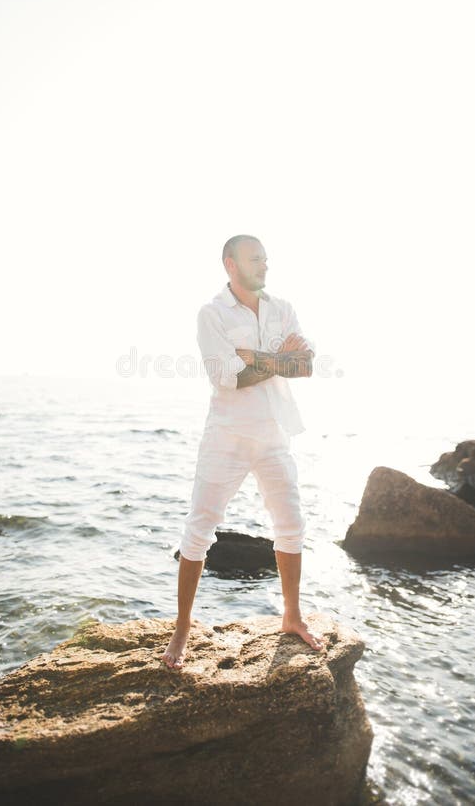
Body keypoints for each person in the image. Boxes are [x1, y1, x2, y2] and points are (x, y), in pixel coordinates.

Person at [162, 235, 323, 669]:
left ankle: (291, 615)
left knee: (291, 525)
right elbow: (225, 377)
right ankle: (181, 628)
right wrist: (274, 360)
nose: (265, 265)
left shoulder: (282, 308)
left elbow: (305, 365)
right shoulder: (211, 313)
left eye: (267, 259)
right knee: (199, 530)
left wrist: (254, 357)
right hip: (226, 437)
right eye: (256, 259)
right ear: (231, 264)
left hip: (274, 435)